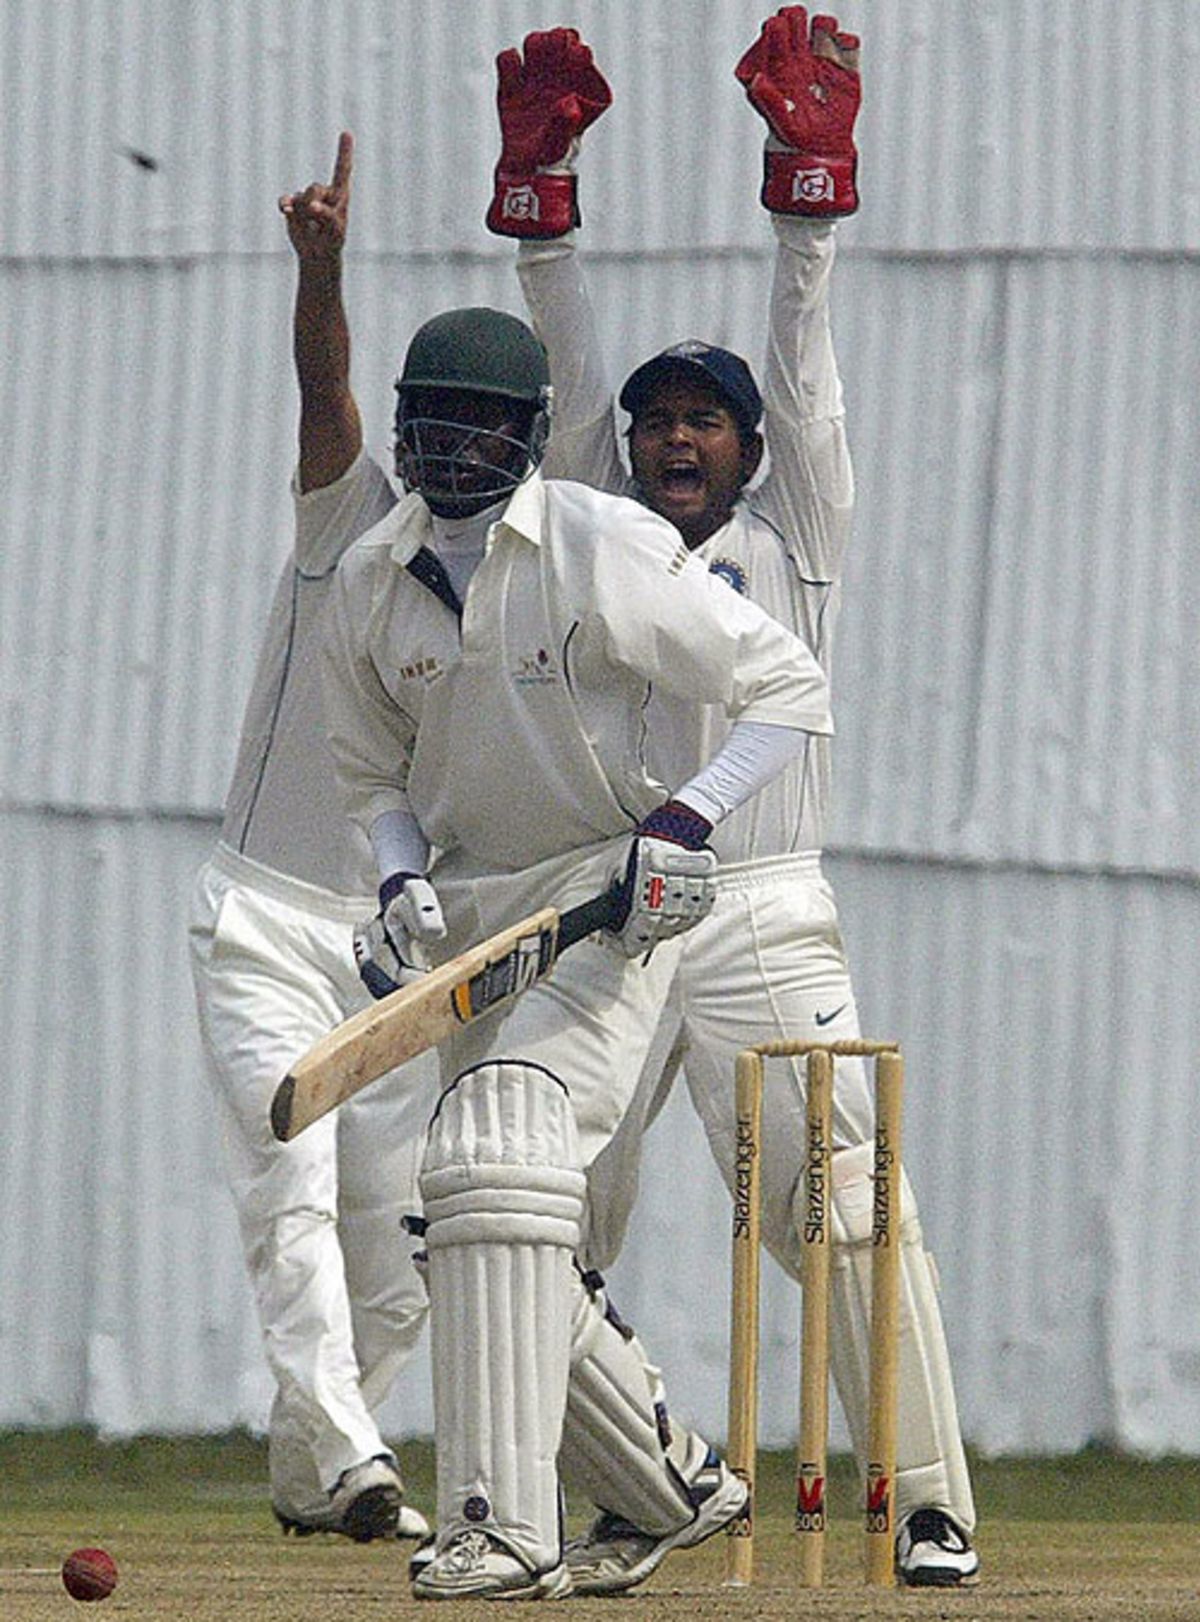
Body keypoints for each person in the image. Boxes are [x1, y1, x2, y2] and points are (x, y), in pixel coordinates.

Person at [487, 10, 980, 1587]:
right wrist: (542, 199)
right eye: (657, 420)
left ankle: (925, 1497)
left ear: (751, 451)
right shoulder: (590, 529)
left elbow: (805, 369)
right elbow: (564, 383)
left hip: (764, 909)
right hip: (611, 915)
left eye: (704, 420)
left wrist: (807, 205)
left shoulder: (798, 529)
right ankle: (625, 1488)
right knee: (526, 1203)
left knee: (840, 1198)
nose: (675, 437)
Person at [319, 203, 836, 1592]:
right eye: (428, 420)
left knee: (503, 1146)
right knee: (463, 1217)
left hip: (611, 902)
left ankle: (501, 1525)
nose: (447, 448)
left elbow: (790, 686)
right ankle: (664, 1482)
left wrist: (684, 818)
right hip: (480, 915)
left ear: (528, 428)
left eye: (481, 422)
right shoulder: (372, 578)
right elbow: (372, 777)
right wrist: (399, 879)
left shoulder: (603, 546)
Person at [187, 133, 433, 1547]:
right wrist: (323, 272)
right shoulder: (355, 516)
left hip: (389, 960)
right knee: (290, 1184)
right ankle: (351, 1465)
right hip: (262, 922)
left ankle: (311, 1464)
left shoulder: (513, 597)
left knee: (390, 1255)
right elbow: (324, 386)